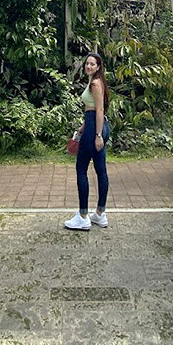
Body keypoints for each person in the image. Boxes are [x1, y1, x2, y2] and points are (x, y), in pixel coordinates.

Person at [64, 52, 110, 231]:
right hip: (94, 125)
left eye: (92, 64)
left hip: (96, 127)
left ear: (98, 66)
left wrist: (97, 135)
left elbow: (98, 110)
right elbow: (92, 109)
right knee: (100, 170)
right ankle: (99, 214)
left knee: (81, 170)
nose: (88, 66)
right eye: (87, 64)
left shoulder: (96, 83)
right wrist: (82, 128)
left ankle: (83, 216)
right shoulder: (96, 81)